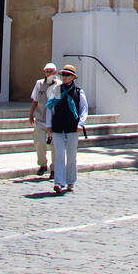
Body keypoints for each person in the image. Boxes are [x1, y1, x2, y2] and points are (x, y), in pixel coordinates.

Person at [46, 64, 88, 195]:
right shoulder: (57, 90)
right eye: (63, 74)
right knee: (59, 155)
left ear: (73, 77)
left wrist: (81, 123)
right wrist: (49, 124)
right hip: (58, 126)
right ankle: (58, 182)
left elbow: (83, 109)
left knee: (71, 156)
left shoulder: (78, 91)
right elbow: (50, 108)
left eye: (67, 75)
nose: (64, 77)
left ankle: (70, 181)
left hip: (72, 128)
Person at [29, 62, 60, 176]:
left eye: (50, 71)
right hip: (40, 118)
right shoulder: (39, 84)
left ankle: (54, 169)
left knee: (55, 147)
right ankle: (42, 164)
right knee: (39, 143)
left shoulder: (59, 85)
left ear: (55, 72)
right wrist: (31, 114)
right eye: (46, 71)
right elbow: (35, 100)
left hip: (54, 121)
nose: (48, 73)